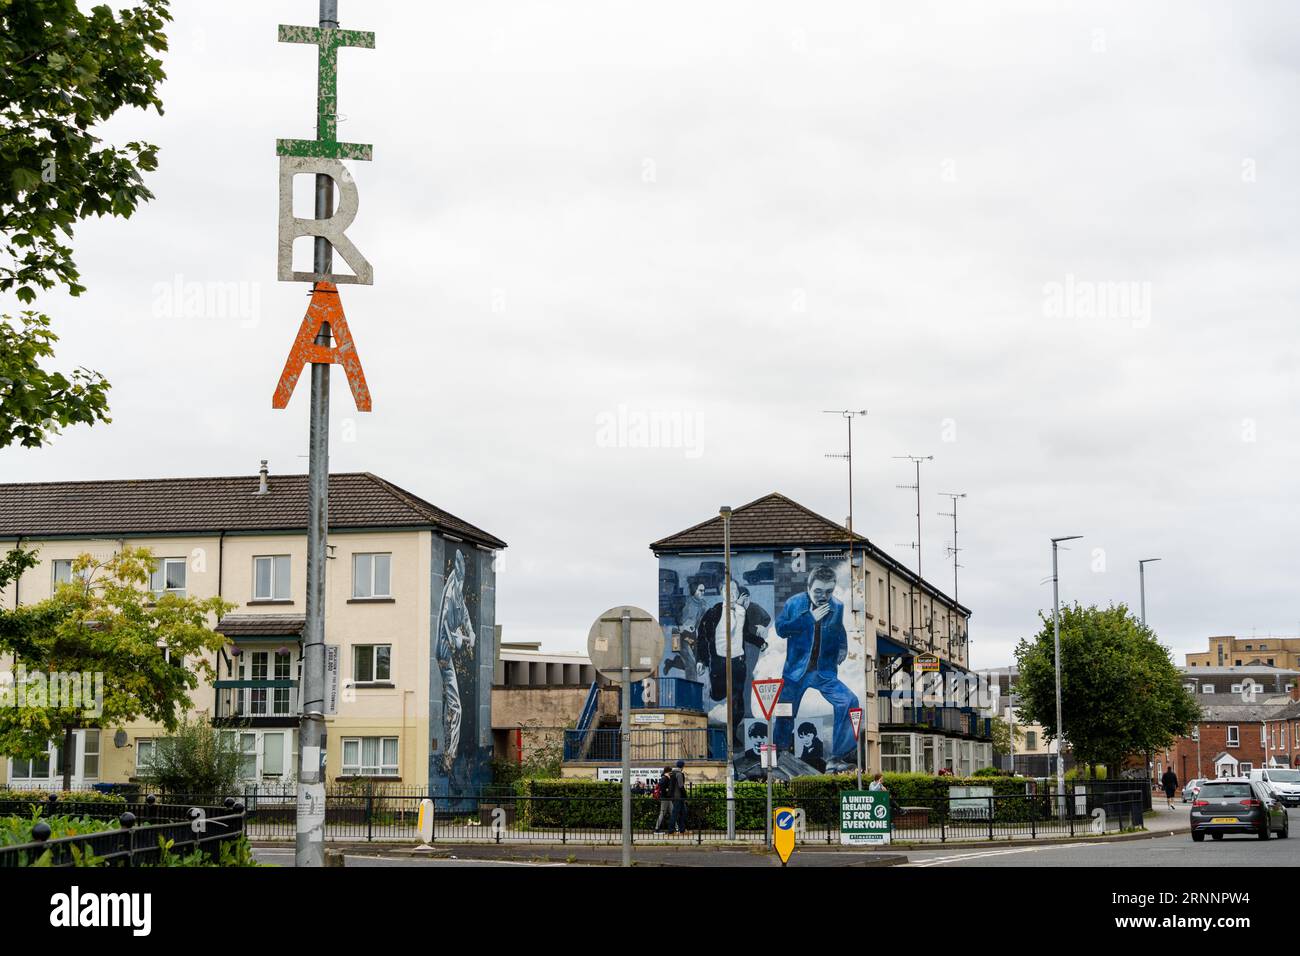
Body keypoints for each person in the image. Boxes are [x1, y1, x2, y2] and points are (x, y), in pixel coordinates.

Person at [772, 566, 860, 768]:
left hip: (823, 672)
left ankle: (837, 757)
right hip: (796, 672)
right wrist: (809, 619)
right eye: (818, 591)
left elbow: (840, 630)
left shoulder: (837, 607)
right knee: (785, 712)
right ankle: (779, 755)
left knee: (850, 701)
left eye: (829, 592)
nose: (823, 596)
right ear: (808, 587)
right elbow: (781, 629)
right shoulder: (794, 603)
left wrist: (843, 648)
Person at [435, 548, 475, 775]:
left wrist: (470, 632)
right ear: (458, 576)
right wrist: (460, 639)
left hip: (446, 655)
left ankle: (448, 752)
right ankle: (449, 756)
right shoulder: (450, 596)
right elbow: (448, 632)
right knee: (456, 708)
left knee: (450, 708)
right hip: (444, 655)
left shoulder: (456, 592)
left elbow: (465, 614)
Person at [697, 581, 748, 746]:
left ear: (738, 592)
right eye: (727, 590)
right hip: (720, 662)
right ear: (722, 593)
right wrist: (702, 660)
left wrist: (760, 641)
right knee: (718, 695)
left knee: (737, 699)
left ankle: (731, 736)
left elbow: (744, 633)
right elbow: (703, 636)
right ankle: (716, 729)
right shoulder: (714, 612)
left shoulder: (742, 611)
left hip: (738, 662)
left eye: (734, 589)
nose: (731, 593)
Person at [738, 587, 771, 718]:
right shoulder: (737, 611)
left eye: (746, 599)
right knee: (744, 677)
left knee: (747, 676)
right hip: (743, 647)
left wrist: (762, 626)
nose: (745, 602)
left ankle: (746, 711)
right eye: (742, 599)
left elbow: (767, 618)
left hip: (753, 647)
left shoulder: (755, 608)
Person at [669, 760, 688, 834]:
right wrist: (685, 795)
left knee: (683, 812)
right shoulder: (679, 774)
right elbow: (681, 786)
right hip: (678, 796)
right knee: (675, 813)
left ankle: (682, 829)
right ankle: (671, 830)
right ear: (682, 766)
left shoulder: (672, 773)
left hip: (675, 796)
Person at [654, 766, 674, 833]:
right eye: (670, 771)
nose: (671, 772)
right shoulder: (664, 778)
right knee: (662, 813)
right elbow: (661, 786)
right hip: (665, 798)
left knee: (672, 812)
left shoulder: (667, 777)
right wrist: (666, 790)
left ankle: (677, 828)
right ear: (668, 771)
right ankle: (656, 829)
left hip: (667, 798)